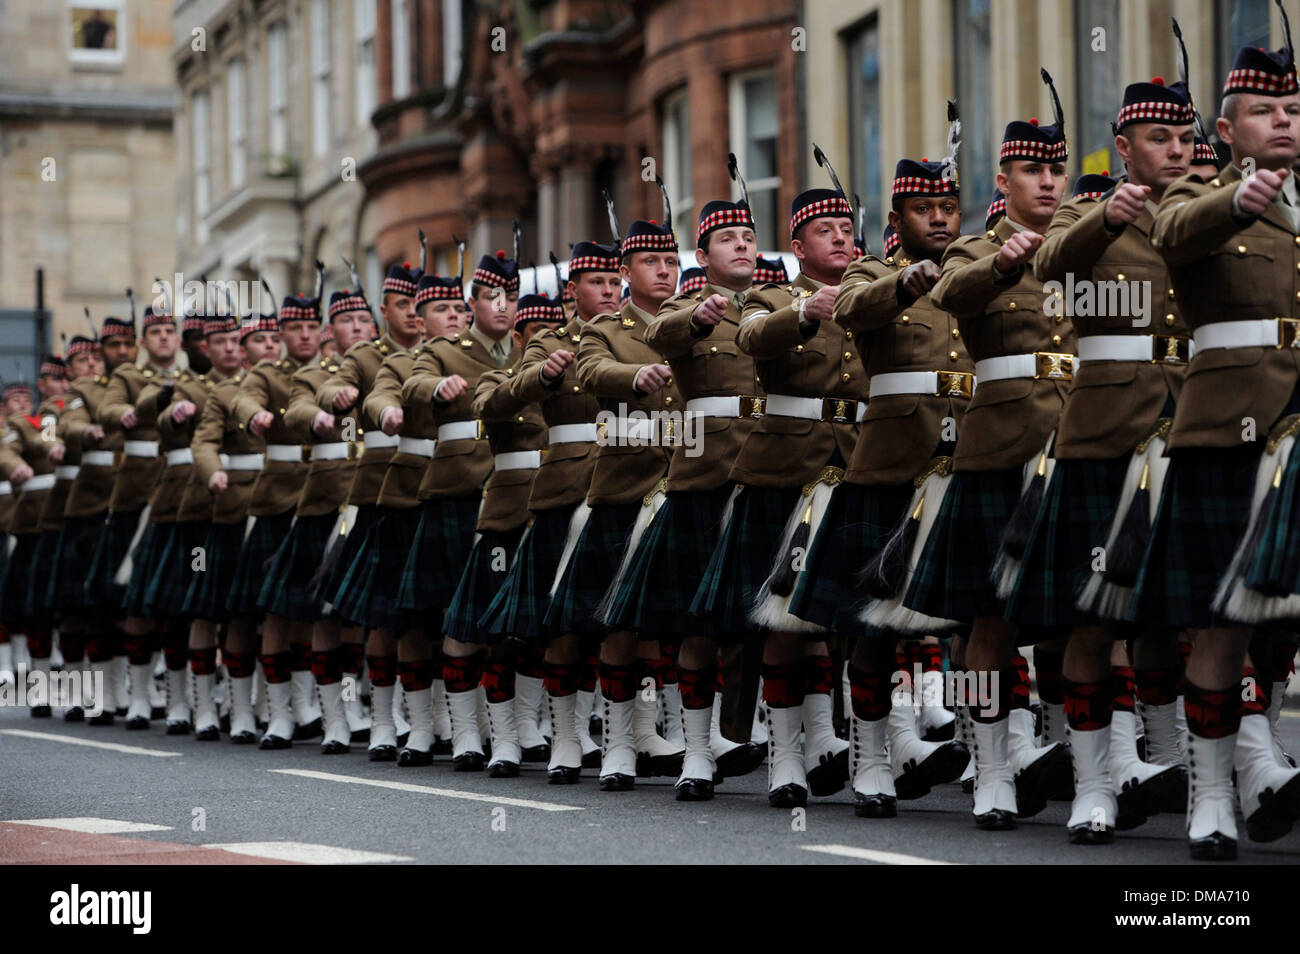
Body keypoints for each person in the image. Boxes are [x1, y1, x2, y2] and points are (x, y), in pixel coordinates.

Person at [1013, 76, 1196, 843]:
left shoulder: (1221, 211)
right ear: (1123, 148)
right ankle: (1094, 782)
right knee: (1093, 618)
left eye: (1185, 137)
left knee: (1198, 621)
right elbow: (1050, 265)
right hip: (1106, 435)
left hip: (1195, 430)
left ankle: (1202, 774)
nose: (1176, 151)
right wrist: (1107, 216)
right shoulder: (1091, 215)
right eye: (1159, 138)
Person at [1135, 34, 1300, 859]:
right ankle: (1211, 793)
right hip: (1234, 431)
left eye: (1295, 110)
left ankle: (1265, 757)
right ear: (1227, 131)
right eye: (1266, 111)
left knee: (1279, 626)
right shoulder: (1201, 195)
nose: (1284, 123)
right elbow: (1173, 230)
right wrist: (1237, 201)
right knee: (1220, 623)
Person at [898, 70, 1076, 830]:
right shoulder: (977, 248)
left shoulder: (1087, 240)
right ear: (1003, 179)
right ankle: (991, 764)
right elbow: (951, 294)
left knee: (1084, 619)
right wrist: (1003, 263)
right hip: (1002, 450)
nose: (1048, 180)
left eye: (1056, 167)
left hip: (1079, 446)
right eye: (1033, 169)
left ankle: (1090, 759)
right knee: (987, 622)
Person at [788, 137, 977, 818]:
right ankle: (870, 759)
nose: (941, 219)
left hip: (966, 466)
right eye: (926, 209)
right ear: (897, 224)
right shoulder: (871, 273)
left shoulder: (975, 269)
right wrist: (902, 282)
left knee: (974, 623)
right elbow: (851, 309)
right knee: (873, 626)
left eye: (949, 207)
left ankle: (990, 757)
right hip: (891, 470)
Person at [603, 178, 762, 800]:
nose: (745, 246)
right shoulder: (674, 316)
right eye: (729, 237)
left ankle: (780, 742)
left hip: (767, 474)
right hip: (666, 482)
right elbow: (658, 342)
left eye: (750, 236)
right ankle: (648, 741)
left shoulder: (778, 303)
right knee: (662, 623)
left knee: (772, 624)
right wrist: (696, 318)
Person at [550, 214, 689, 790]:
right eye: (651, 263)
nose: (664, 271)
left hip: (683, 485)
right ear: (626, 272)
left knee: (670, 623)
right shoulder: (605, 329)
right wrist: (636, 378)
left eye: (672, 262)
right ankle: (612, 743)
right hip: (625, 488)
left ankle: (653, 733)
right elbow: (594, 371)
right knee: (617, 622)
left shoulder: (698, 319)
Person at [474, 238, 609, 781]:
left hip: (618, 490)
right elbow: (497, 399)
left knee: (602, 627)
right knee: (535, 631)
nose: (609, 291)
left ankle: (609, 734)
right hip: (543, 501)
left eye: (612, 281)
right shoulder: (546, 347)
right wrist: (544, 372)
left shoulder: (641, 336)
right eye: (597, 282)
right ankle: (528, 736)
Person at [341, 262, 471, 761]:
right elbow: (379, 397)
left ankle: (450, 721)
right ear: (416, 316)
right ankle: (388, 721)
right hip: (402, 500)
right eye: (441, 309)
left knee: (452, 616)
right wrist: (385, 413)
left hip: (457, 500)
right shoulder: (397, 363)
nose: (452, 317)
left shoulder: (480, 359)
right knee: (395, 617)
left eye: (459, 308)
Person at [397, 247, 519, 768]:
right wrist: (437, 387)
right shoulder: (446, 350)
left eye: (512, 296)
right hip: (456, 495)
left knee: (504, 620)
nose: (504, 306)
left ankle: (507, 731)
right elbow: (410, 383)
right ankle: (462, 732)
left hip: (514, 495)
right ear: (473, 303)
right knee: (454, 617)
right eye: (494, 296)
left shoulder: (531, 349)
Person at [445, 285, 560, 773]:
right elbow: (489, 406)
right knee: (489, 630)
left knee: (539, 630)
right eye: (537, 335)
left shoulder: (579, 377)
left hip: (556, 508)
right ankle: (484, 733)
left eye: (555, 333)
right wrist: (538, 376)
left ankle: (526, 724)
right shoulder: (500, 379)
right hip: (508, 516)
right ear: (519, 338)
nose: (548, 344)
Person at [228, 284, 321, 748]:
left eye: (311, 326)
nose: (304, 335)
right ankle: (277, 712)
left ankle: (307, 704)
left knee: (310, 607)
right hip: (279, 503)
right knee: (275, 611)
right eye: (294, 328)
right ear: (281, 333)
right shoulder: (270, 373)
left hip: (323, 499)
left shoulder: (335, 369)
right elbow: (242, 398)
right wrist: (255, 417)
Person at [183, 308, 282, 743]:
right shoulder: (223, 392)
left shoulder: (284, 384)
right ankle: (206, 705)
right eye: (258, 341)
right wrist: (213, 473)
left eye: (271, 340)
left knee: (249, 615)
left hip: (271, 508)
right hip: (224, 514)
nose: (269, 348)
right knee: (210, 609)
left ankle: (247, 708)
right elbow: (202, 443)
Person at [91, 300, 181, 729]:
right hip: (135, 500)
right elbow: (106, 410)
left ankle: (181, 694)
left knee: (184, 594)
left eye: (170, 331)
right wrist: (126, 411)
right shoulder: (129, 376)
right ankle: (139, 693)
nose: (164, 338)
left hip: (182, 500)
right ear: (145, 342)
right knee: (134, 597)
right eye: (156, 333)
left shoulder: (189, 378)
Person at [54, 306, 137, 723]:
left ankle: (122, 687)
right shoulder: (85, 391)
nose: (118, 352)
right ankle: (79, 689)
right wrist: (85, 430)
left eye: (126, 343)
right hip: (90, 506)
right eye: (111, 346)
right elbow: (65, 423)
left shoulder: (142, 383)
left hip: (130, 502)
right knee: (79, 606)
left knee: (119, 604)